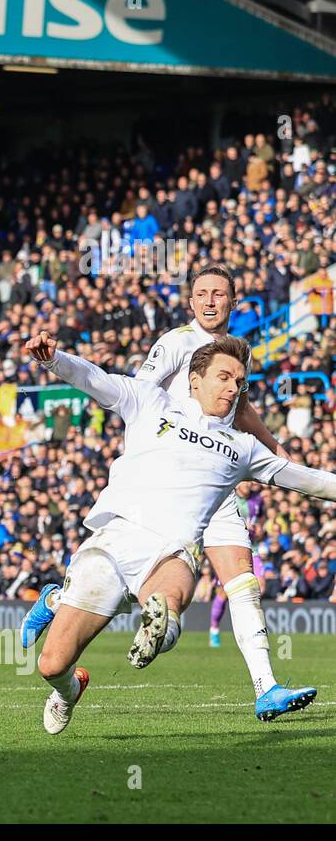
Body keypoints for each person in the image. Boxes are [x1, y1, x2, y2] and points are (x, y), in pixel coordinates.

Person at [24, 264, 305, 708]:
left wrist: (274, 449)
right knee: (126, 585)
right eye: (202, 294)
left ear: (234, 302)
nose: (210, 301)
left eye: (219, 294)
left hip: (215, 478)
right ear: (191, 302)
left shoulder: (236, 355)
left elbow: (241, 410)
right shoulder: (176, 342)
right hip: (168, 482)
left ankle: (265, 688)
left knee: (241, 578)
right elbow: (135, 394)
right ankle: (61, 599)